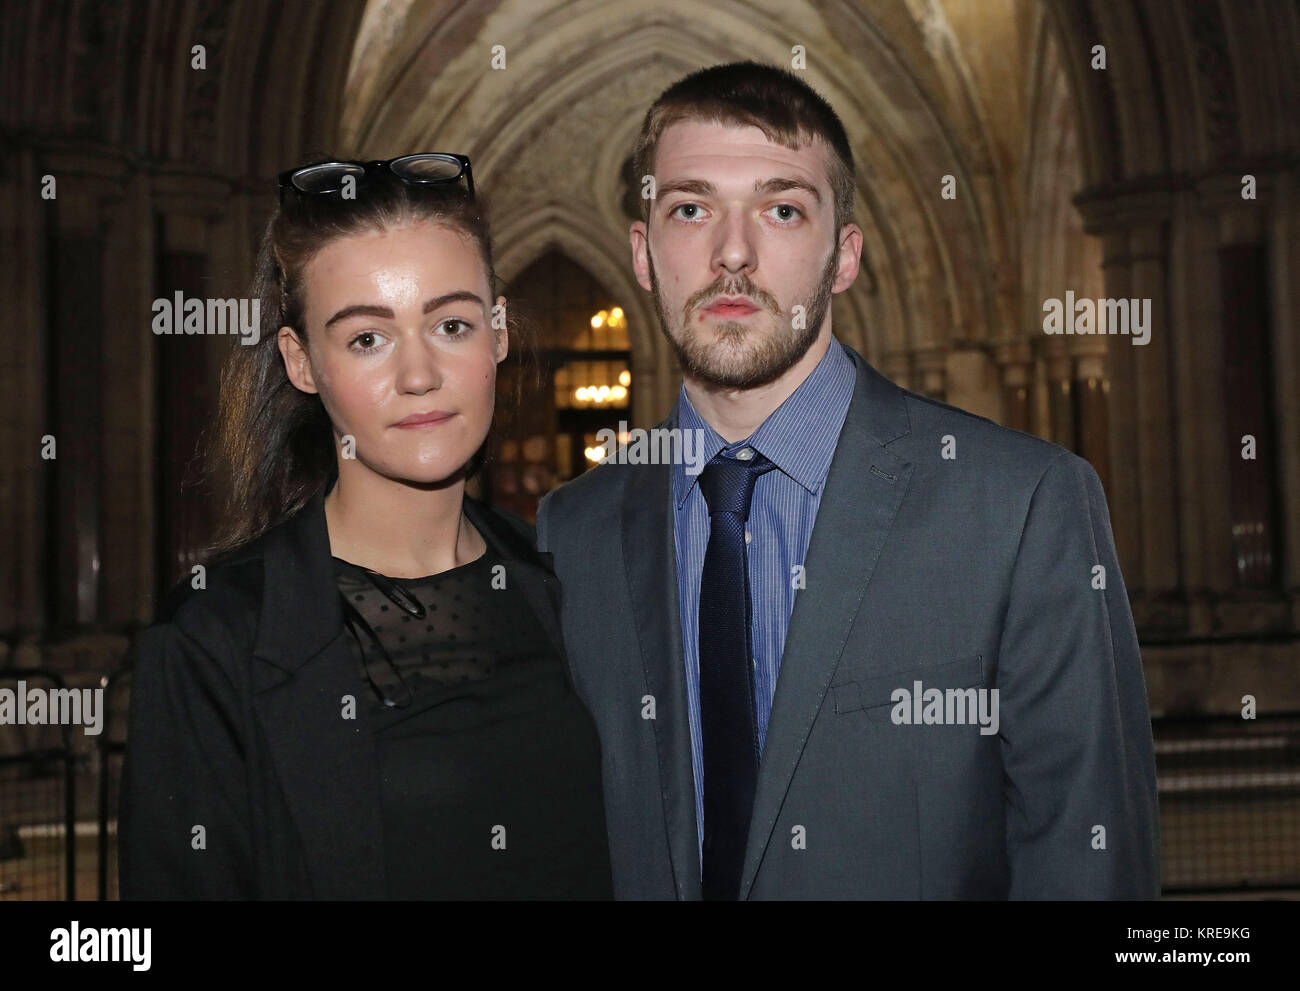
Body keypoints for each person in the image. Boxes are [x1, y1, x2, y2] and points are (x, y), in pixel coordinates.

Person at [537, 62, 1161, 899]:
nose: (732, 252)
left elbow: (1091, 865)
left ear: (843, 257)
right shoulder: (570, 531)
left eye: (782, 209)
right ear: (645, 255)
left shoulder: (1022, 506)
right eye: (691, 209)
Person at [119, 154, 612, 899]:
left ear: (499, 332)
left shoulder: (561, 579)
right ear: (302, 361)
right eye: (366, 339)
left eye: (451, 324)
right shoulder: (216, 639)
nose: (419, 374)